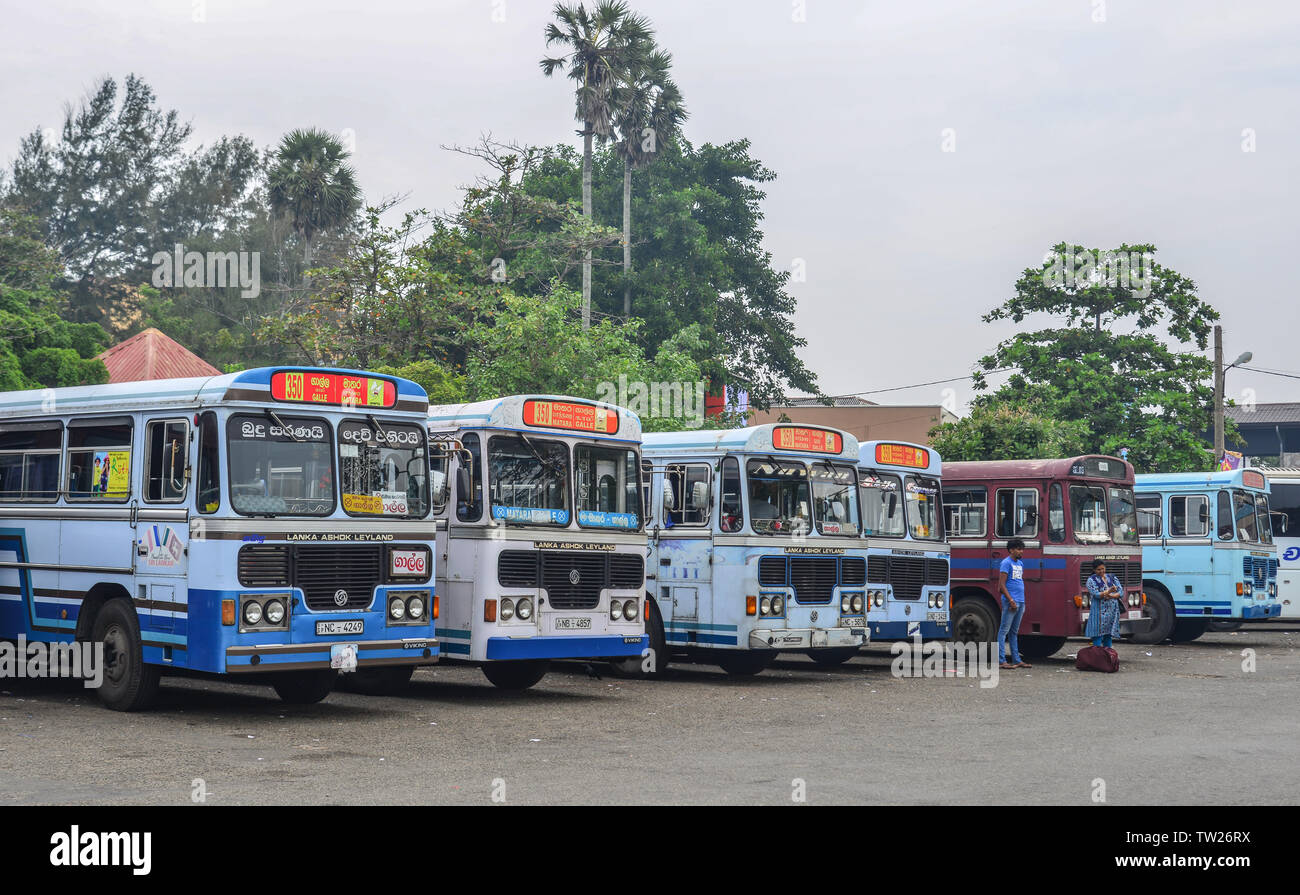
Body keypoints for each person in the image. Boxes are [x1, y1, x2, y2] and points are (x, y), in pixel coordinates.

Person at [998, 537, 1029, 669]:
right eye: (1018, 549)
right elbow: (1001, 585)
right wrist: (1010, 600)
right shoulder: (1006, 563)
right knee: (1003, 631)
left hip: (1020, 601)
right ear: (1011, 550)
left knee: (1014, 632)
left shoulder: (1020, 564)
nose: (1021, 551)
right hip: (1011, 601)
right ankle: (1001, 660)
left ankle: (1016, 659)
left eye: (1022, 549)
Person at [1084, 559, 1123, 648]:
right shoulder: (1091, 580)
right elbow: (1096, 594)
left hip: (1111, 612)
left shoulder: (1112, 577)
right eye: (1098, 569)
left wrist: (1112, 596)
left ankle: (1107, 657)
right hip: (1098, 613)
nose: (1101, 571)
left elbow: (1121, 592)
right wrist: (1109, 591)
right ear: (1094, 570)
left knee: (1108, 635)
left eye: (1103, 568)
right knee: (1097, 635)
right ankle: (1098, 657)